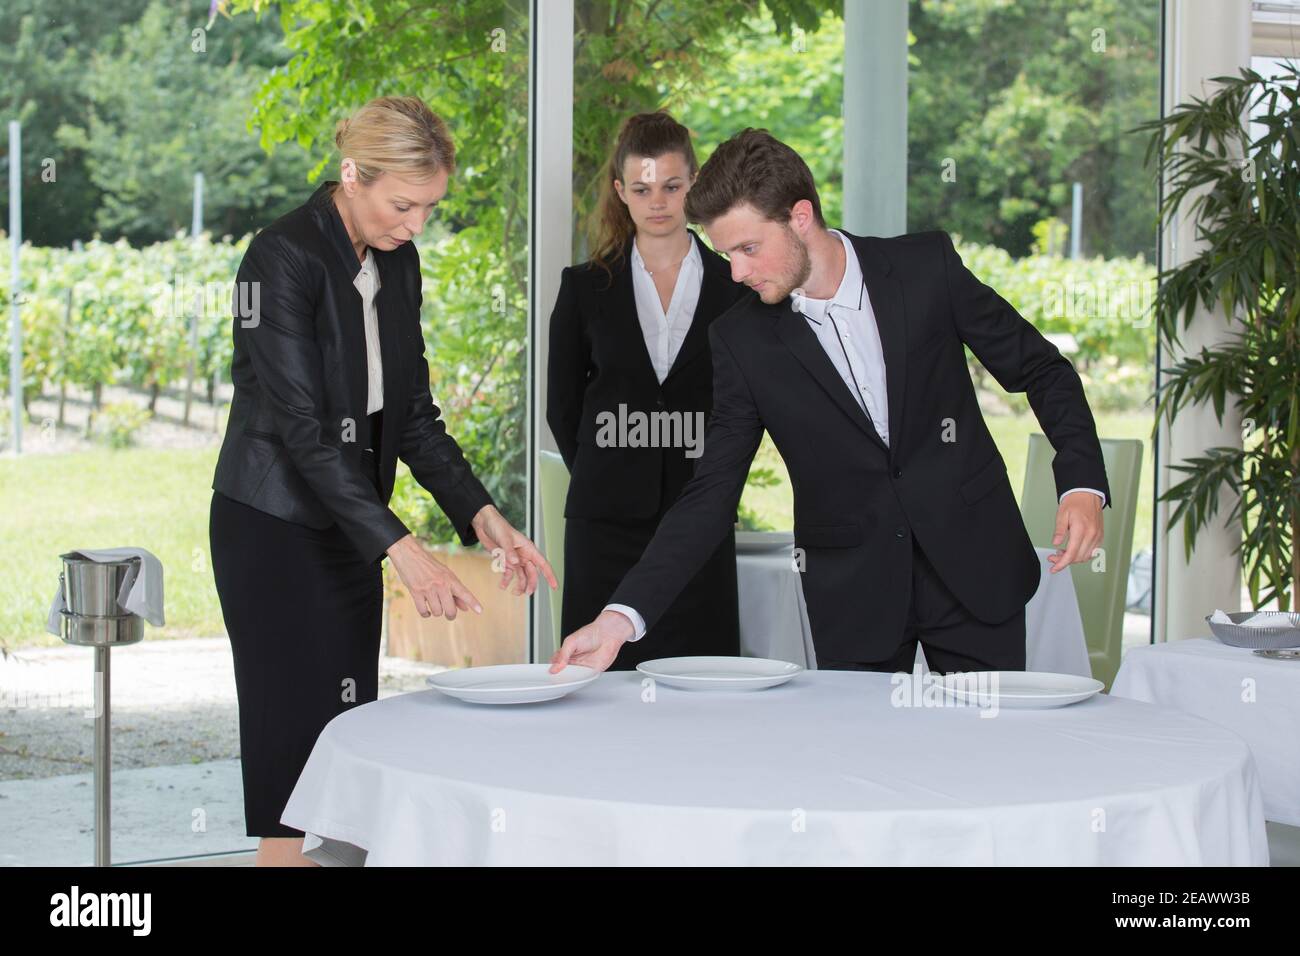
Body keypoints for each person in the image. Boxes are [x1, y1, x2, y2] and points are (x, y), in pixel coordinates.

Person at [551, 128, 1108, 676]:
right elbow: (710, 493)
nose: (737, 272)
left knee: (987, 759)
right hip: (856, 596)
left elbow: (1042, 369)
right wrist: (621, 619)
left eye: (748, 249)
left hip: (975, 565)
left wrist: (1082, 483)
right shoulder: (740, 339)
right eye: (728, 253)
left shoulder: (925, 269)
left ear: (799, 217)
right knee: (866, 767)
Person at [210, 96, 556, 866]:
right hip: (273, 528)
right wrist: (400, 546)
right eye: (404, 204)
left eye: (430, 206)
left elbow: (412, 418)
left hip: (350, 527)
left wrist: (485, 518)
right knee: (293, 759)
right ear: (350, 176)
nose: (416, 224)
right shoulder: (279, 259)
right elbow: (303, 432)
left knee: (350, 742)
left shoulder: (398, 261)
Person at [546, 111, 748, 669]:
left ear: (695, 184)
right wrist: (610, 468)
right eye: (641, 188)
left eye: (672, 187)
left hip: (699, 520)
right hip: (603, 524)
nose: (657, 202)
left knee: (701, 685)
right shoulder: (583, 287)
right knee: (598, 689)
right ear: (621, 191)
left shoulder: (736, 291)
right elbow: (561, 406)